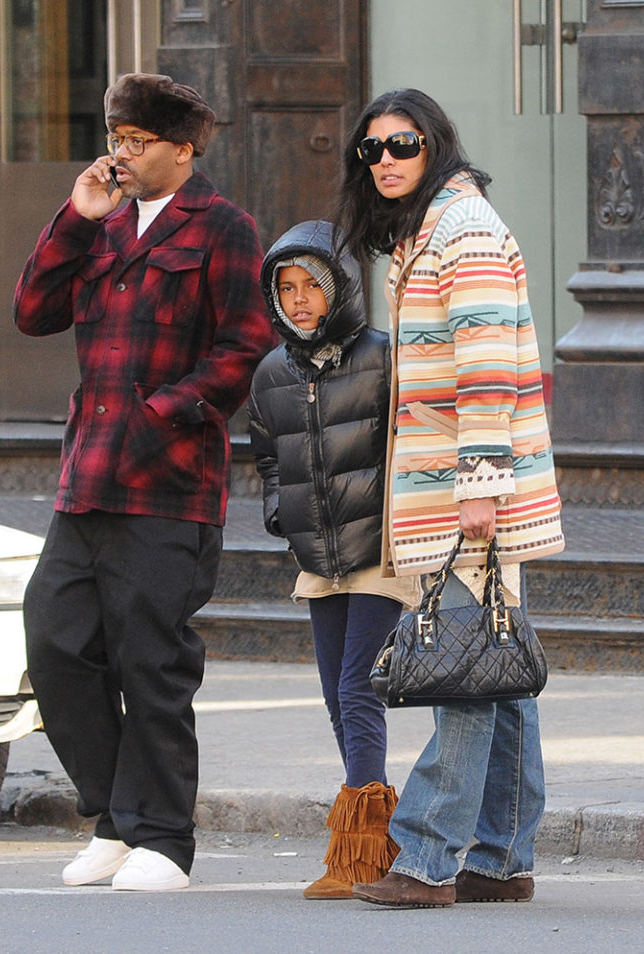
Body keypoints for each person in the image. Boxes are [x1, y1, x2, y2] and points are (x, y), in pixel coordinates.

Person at [14, 73, 274, 892]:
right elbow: (33, 311)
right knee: (55, 644)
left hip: (169, 482)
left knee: (150, 662)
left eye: (136, 141)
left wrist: (162, 414)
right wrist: (75, 217)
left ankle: (163, 838)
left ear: (183, 148)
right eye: (115, 138)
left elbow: (246, 346)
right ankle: (115, 818)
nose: (120, 154)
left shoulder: (224, 228)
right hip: (87, 476)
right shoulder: (103, 223)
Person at [333, 88, 565, 908]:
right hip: (457, 489)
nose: (386, 160)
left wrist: (481, 486)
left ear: (435, 145)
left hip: (468, 493)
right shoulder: (429, 230)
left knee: (462, 666)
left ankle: (428, 858)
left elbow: (487, 366)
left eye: (403, 144)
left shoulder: (462, 228)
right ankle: (501, 858)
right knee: (493, 663)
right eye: (372, 149)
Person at [247, 220, 421, 899]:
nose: (298, 300)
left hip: (379, 549)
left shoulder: (383, 355)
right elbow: (268, 456)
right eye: (286, 288)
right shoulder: (272, 372)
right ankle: (372, 839)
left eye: (312, 286)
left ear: (341, 288)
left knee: (356, 688)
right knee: (333, 695)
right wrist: (279, 510)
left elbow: (413, 439)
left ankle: (361, 854)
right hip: (319, 554)